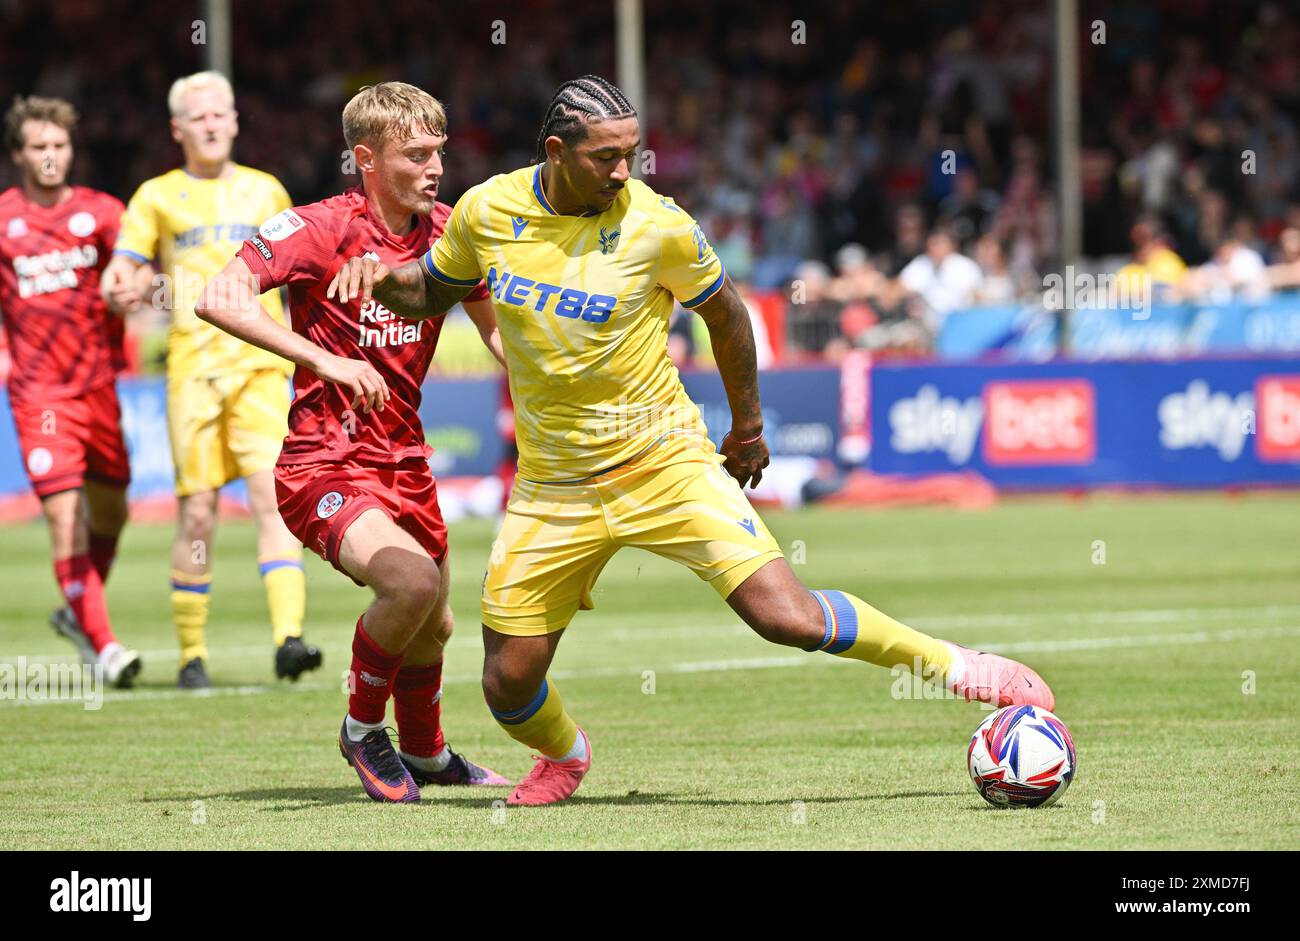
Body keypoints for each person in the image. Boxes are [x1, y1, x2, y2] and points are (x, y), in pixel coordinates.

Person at [330, 75, 1056, 807]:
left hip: (664, 460)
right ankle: (567, 754)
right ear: (556, 151)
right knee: (506, 682)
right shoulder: (489, 211)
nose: (625, 172)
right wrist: (378, 277)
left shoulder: (659, 224)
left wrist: (747, 429)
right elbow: (432, 288)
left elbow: (729, 315)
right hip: (553, 487)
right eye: (607, 157)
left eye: (633, 154)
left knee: (786, 617)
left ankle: (964, 668)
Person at [196, 82, 509, 801]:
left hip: (405, 460)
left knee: (434, 625)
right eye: (417, 155)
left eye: (440, 152)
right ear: (365, 159)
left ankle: (428, 752)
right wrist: (322, 357)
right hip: (322, 462)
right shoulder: (314, 228)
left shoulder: (450, 233)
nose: (435, 168)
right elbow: (218, 295)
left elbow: (494, 329)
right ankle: (363, 729)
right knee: (410, 583)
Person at [100, 71, 317, 689]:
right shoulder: (156, 196)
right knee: (196, 514)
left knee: (271, 498)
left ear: (236, 120)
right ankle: (192, 653)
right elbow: (128, 267)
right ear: (178, 129)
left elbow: (299, 275)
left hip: (259, 367)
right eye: (199, 117)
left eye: (222, 113)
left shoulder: (266, 191)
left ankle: (289, 639)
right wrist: (121, 284)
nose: (213, 123)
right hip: (193, 371)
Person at [0, 95, 141, 686]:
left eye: (59, 146)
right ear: (18, 155)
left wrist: (133, 287)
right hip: (40, 396)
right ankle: (106, 646)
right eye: (39, 147)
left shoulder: (102, 212)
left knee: (114, 510)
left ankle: (77, 610)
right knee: (66, 520)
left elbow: (140, 269)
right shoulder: (3, 219)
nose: (51, 156)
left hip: (99, 388)